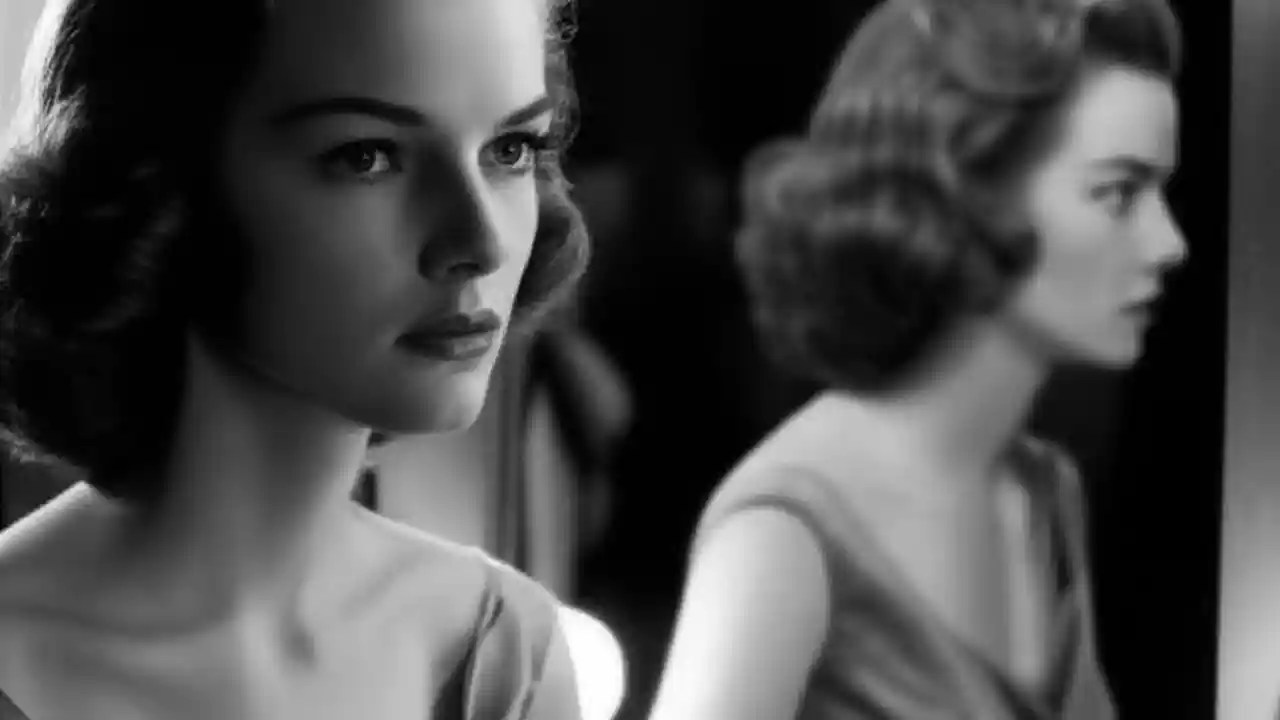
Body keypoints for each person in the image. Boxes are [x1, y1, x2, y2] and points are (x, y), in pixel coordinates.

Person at [0, 0, 589, 716]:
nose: (482, 241)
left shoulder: (502, 649)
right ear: (161, 184)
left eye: (511, 149)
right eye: (366, 156)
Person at [647, 0, 1185, 718]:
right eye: (1118, 193)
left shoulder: (1045, 494)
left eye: (1161, 192)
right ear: (963, 190)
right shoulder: (782, 535)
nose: (1170, 242)